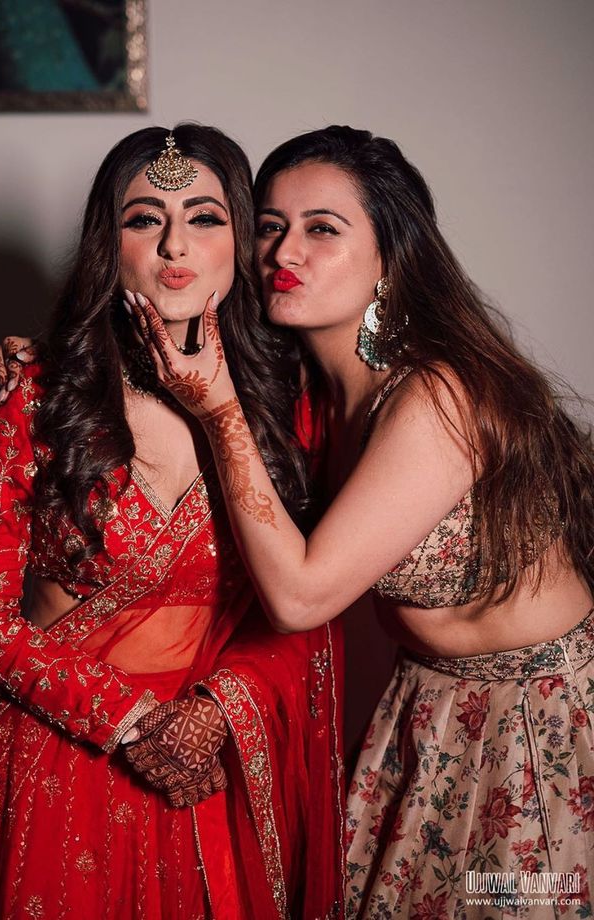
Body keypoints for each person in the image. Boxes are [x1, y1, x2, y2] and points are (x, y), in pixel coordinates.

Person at [130, 125, 594, 918]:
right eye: (269, 227)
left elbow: (301, 599)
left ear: (392, 256)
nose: (286, 250)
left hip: (540, 725)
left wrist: (219, 414)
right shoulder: (312, 398)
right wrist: (41, 361)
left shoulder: (439, 395)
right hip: (428, 716)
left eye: (322, 230)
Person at [0, 125, 345, 920]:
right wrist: (134, 723)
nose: (176, 244)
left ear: (243, 241)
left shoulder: (289, 405)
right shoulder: (37, 396)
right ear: (110, 243)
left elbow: (309, 606)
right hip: (63, 765)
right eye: (145, 218)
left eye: (206, 218)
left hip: (211, 766)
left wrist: (211, 715)